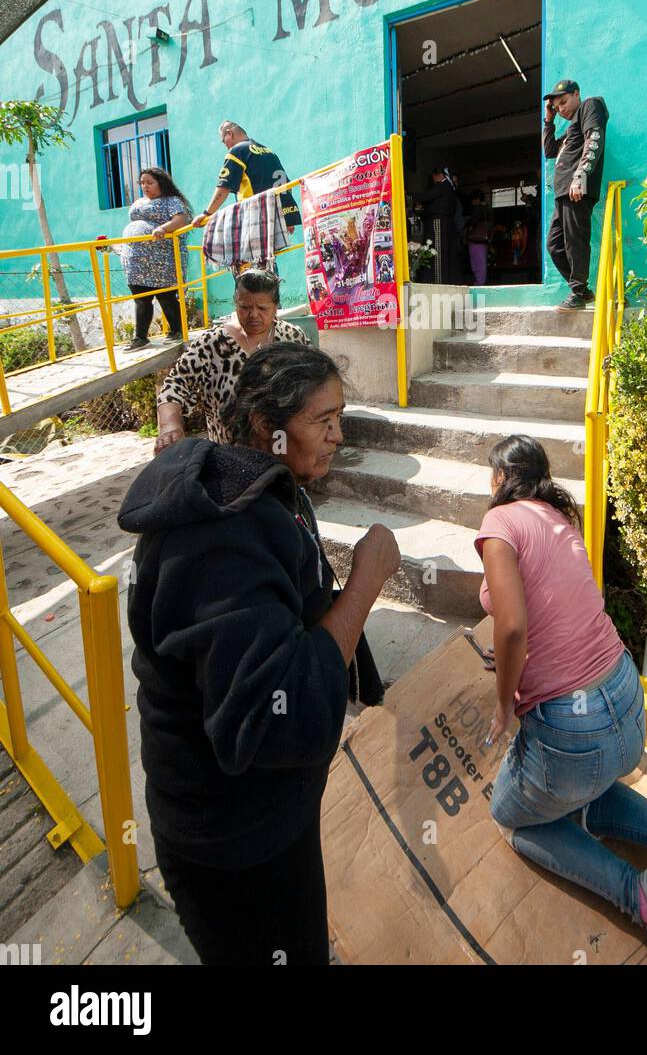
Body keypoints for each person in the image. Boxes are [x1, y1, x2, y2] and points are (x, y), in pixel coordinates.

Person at [119, 342, 399, 965]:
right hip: (231, 846)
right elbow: (279, 720)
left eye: (340, 417)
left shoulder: (265, 490)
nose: (337, 436)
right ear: (267, 429)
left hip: (270, 821)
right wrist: (366, 583)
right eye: (322, 421)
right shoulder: (224, 538)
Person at [475, 434, 647, 966]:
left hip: (576, 735)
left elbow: (510, 628)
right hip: (625, 703)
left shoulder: (500, 523)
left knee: (512, 816)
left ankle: (640, 895)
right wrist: (517, 658)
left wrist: (505, 702)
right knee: (580, 790)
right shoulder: (561, 519)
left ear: (500, 481)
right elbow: (558, 611)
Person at [154, 269, 309, 450]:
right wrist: (170, 426)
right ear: (235, 304)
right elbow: (175, 385)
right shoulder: (211, 343)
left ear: (275, 307)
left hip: (283, 451)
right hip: (229, 456)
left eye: (262, 308)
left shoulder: (293, 337)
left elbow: (316, 381)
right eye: (245, 307)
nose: (253, 314)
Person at [191, 120, 301, 270]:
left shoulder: (237, 151)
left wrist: (206, 213)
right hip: (274, 216)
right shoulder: (268, 151)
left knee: (249, 267)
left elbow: (224, 187)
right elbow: (285, 183)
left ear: (229, 133)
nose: (225, 146)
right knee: (267, 262)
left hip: (254, 219)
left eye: (224, 141)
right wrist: (287, 217)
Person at [542, 79, 608, 310]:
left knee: (574, 241)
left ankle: (578, 291)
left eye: (564, 101)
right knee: (554, 245)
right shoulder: (571, 132)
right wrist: (549, 121)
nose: (561, 109)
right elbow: (550, 151)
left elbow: (595, 139)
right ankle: (583, 291)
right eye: (557, 106)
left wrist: (580, 175)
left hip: (576, 190)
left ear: (577, 94)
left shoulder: (590, 106)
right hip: (563, 194)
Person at [114, 167, 192, 352]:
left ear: (161, 183)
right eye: (142, 183)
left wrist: (163, 228)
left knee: (165, 296)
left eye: (150, 182)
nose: (145, 186)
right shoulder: (140, 202)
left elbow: (181, 220)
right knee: (141, 298)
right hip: (136, 261)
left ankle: (177, 331)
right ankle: (141, 338)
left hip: (162, 259)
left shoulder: (171, 201)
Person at [413, 165, 460, 284]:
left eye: (433, 177)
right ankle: (444, 280)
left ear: (439, 176)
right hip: (445, 223)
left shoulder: (443, 185)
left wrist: (407, 193)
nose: (433, 180)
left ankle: (439, 281)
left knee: (438, 251)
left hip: (439, 222)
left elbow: (425, 196)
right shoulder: (449, 188)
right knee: (443, 251)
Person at [466, 189, 491, 286]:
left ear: (476, 199)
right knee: (481, 262)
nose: (472, 202)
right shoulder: (487, 208)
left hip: (475, 239)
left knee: (476, 263)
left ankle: (479, 283)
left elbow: (473, 222)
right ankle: (481, 282)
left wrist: (468, 222)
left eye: (473, 200)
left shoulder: (477, 208)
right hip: (483, 239)